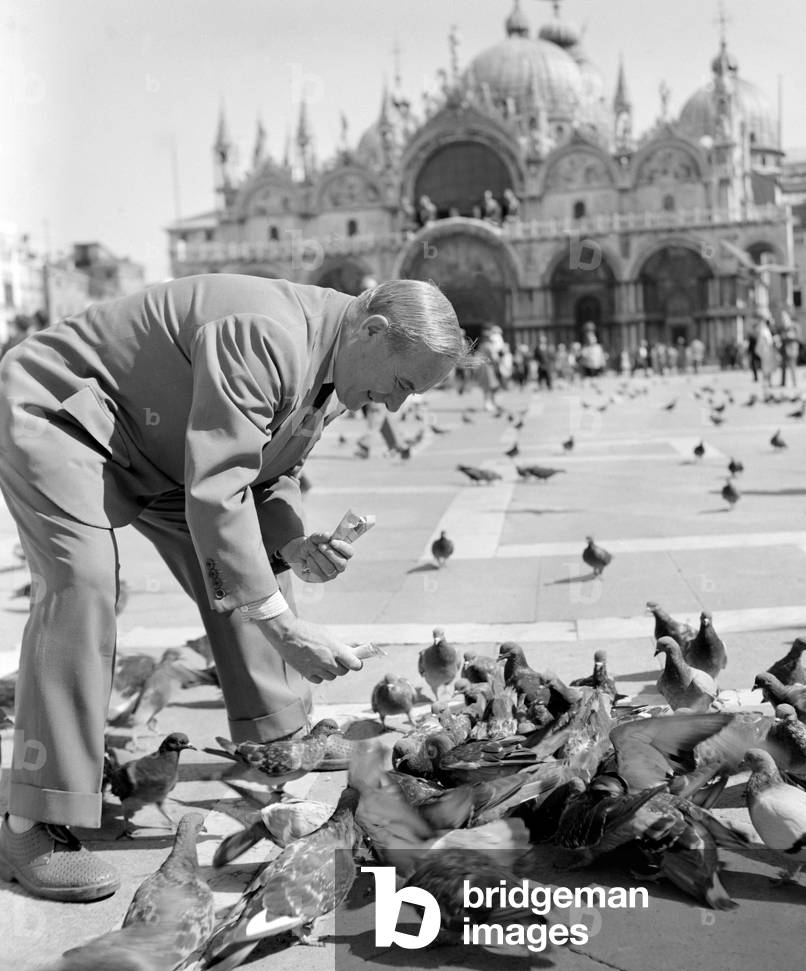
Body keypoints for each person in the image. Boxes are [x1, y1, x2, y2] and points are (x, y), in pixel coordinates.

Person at [0, 274, 463, 903]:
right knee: (81, 584)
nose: (395, 406)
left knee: (256, 566)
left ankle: (279, 732)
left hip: (162, 451)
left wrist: (292, 543)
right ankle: (34, 817)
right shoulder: (267, 333)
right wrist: (283, 626)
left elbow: (265, 478)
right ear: (374, 332)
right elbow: (218, 489)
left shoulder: (336, 361)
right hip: (63, 414)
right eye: (403, 384)